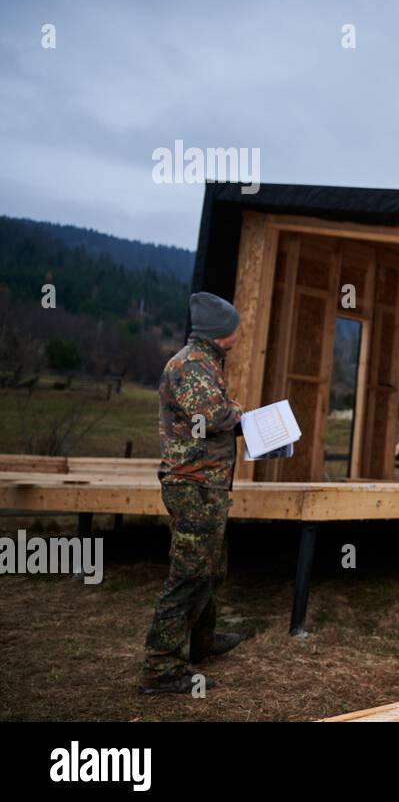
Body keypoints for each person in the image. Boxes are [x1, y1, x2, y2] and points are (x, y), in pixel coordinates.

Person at [139, 292, 246, 695]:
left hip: (208, 483)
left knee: (211, 567)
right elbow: (212, 414)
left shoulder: (205, 362)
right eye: (235, 325)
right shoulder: (190, 365)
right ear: (223, 334)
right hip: (193, 484)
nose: (238, 331)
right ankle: (161, 669)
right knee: (188, 575)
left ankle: (201, 641)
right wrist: (244, 416)